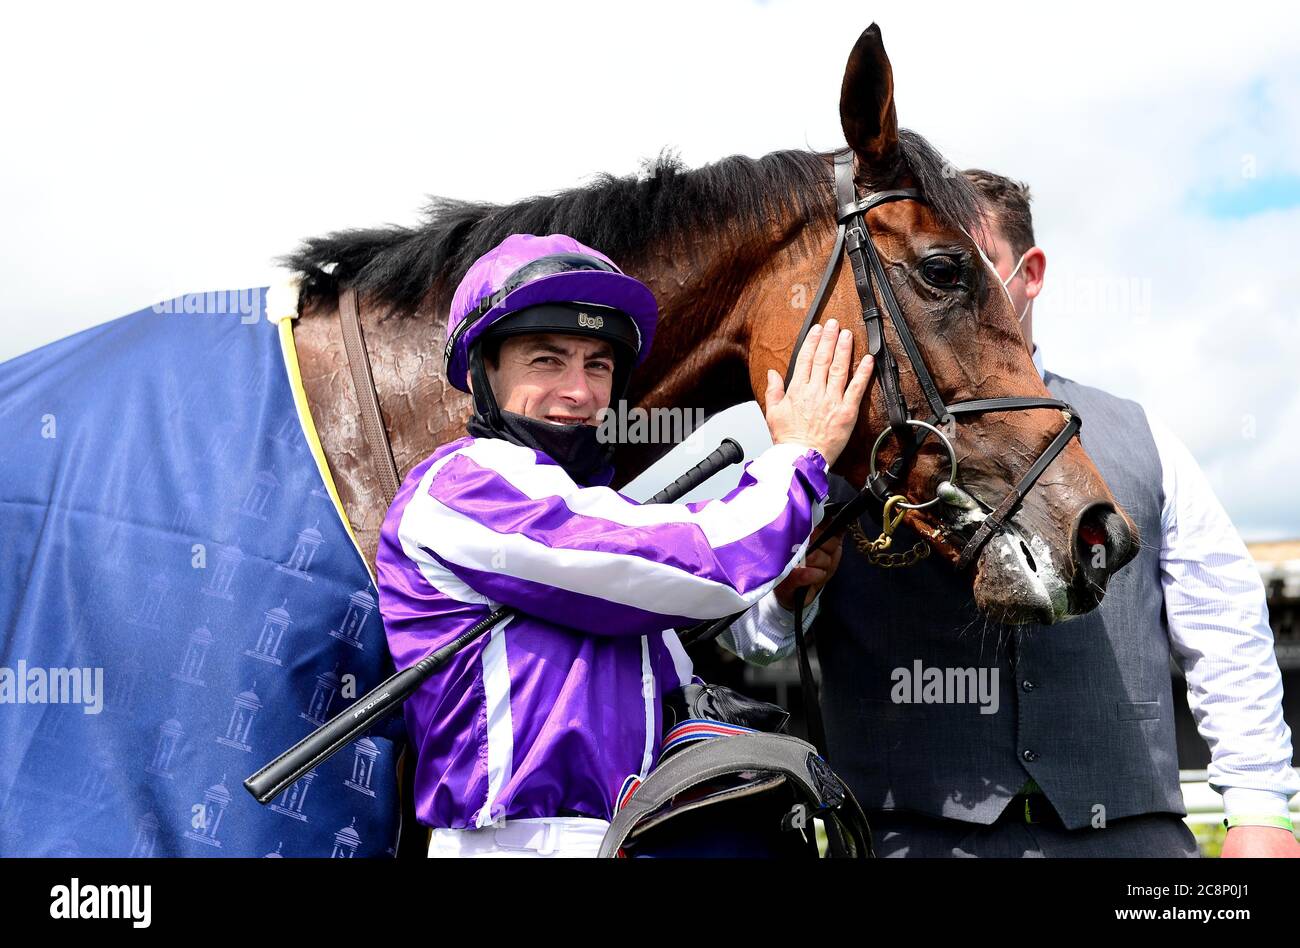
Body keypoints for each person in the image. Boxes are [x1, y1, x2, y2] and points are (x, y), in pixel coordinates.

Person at [726, 170, 1299, 858]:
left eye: (973, 273)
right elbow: (753, 640)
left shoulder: (1141, 437)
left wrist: (1261, 810)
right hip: (914, 841)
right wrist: (790, 589)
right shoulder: (838, 447)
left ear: (1029, 275)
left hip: (1128, 841)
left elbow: (1225, 626)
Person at [374, 232, 872, 857]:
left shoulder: (605, 518)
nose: (579, 392)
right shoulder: (461, 488)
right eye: (546, 360)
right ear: (484, 369)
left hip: (640, 834)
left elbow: (711, 638)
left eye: (598, 364)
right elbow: (700, 569)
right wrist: (800, 458)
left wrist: (783, 599)